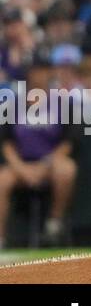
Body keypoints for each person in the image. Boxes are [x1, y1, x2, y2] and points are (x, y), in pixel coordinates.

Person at [0, 59, 79, 248]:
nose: (39, 75)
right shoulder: (13, 105)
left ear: (49, 73)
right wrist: (21, 168)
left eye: (43, 71)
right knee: (2, 180)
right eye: (36, 71)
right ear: (28, 74)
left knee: (67, 169)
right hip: (22, 164)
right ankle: (0, 237)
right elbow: (6, 142)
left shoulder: (63, 104)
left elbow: (69, 142)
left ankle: (54, 223)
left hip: (51, 163)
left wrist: (46, 165)